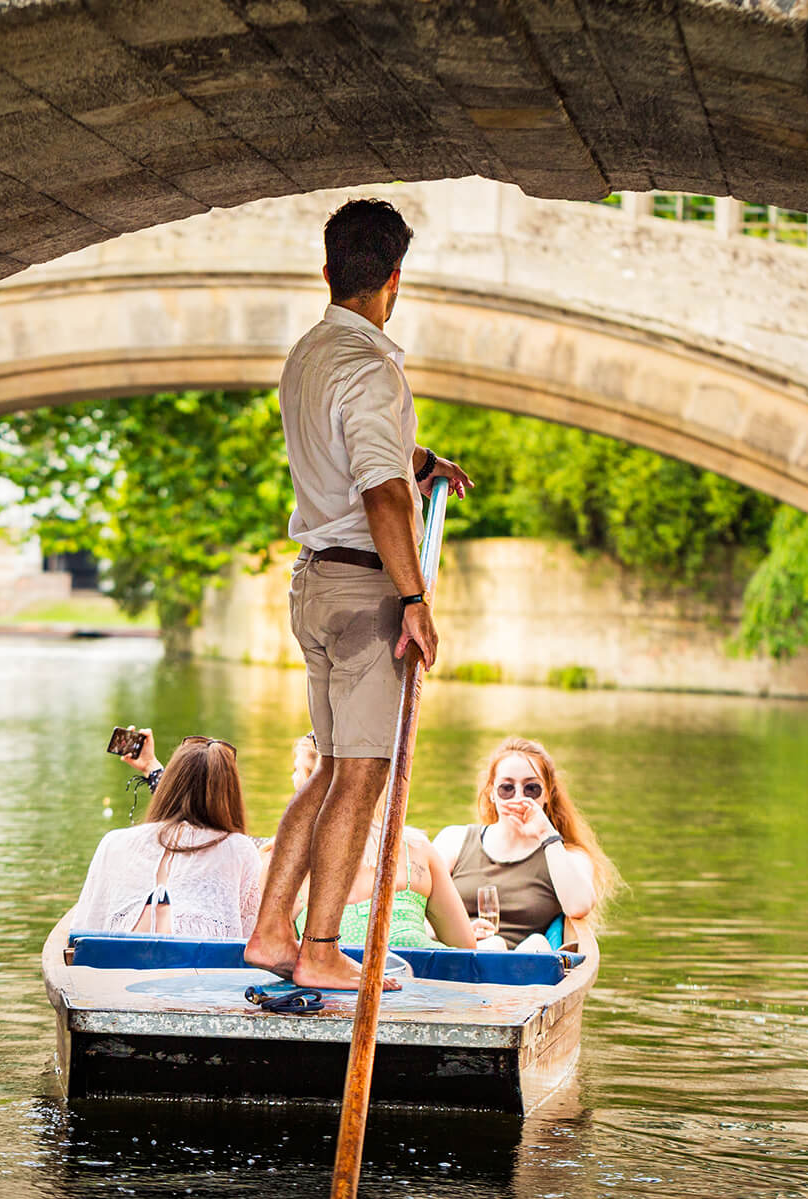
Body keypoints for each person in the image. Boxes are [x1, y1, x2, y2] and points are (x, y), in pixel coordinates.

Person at [245, 198, 472, 993]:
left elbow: (363, 454)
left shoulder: (307, 355)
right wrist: (414, 598)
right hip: (363, 588)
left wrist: (424, 459)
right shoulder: (375, 367)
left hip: (312, 582)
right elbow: (376, 490)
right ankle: (321, 946)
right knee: (362, 774)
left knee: (329, 769)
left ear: (329, 272)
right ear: (395, 282)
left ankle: (273, 931)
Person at [67, 728, 262, 939]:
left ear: (170, 784)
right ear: (229, 795)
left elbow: (82, 934)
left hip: (121, 965)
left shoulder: (113, 842)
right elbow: (250, 943)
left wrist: (152, 767)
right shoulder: (240, 850)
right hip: (198, 969)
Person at [433, 737, 618, 951]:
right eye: (506, 788)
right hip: (453, 960)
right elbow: (412, 911)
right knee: (492, 946)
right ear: (492, 793)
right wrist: (460, 931)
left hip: (523, 969)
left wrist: (545, 833)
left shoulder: (565, 855)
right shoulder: (455, 840)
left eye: (531, 789)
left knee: (529, 944)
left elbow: (579, 906)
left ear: (547, 794)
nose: (519, 798)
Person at [295, 818, 477, 950]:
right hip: (417, 979)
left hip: (330, 990)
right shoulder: (416, 849)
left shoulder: (287, 861)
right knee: (494, 945)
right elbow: (464, 947)